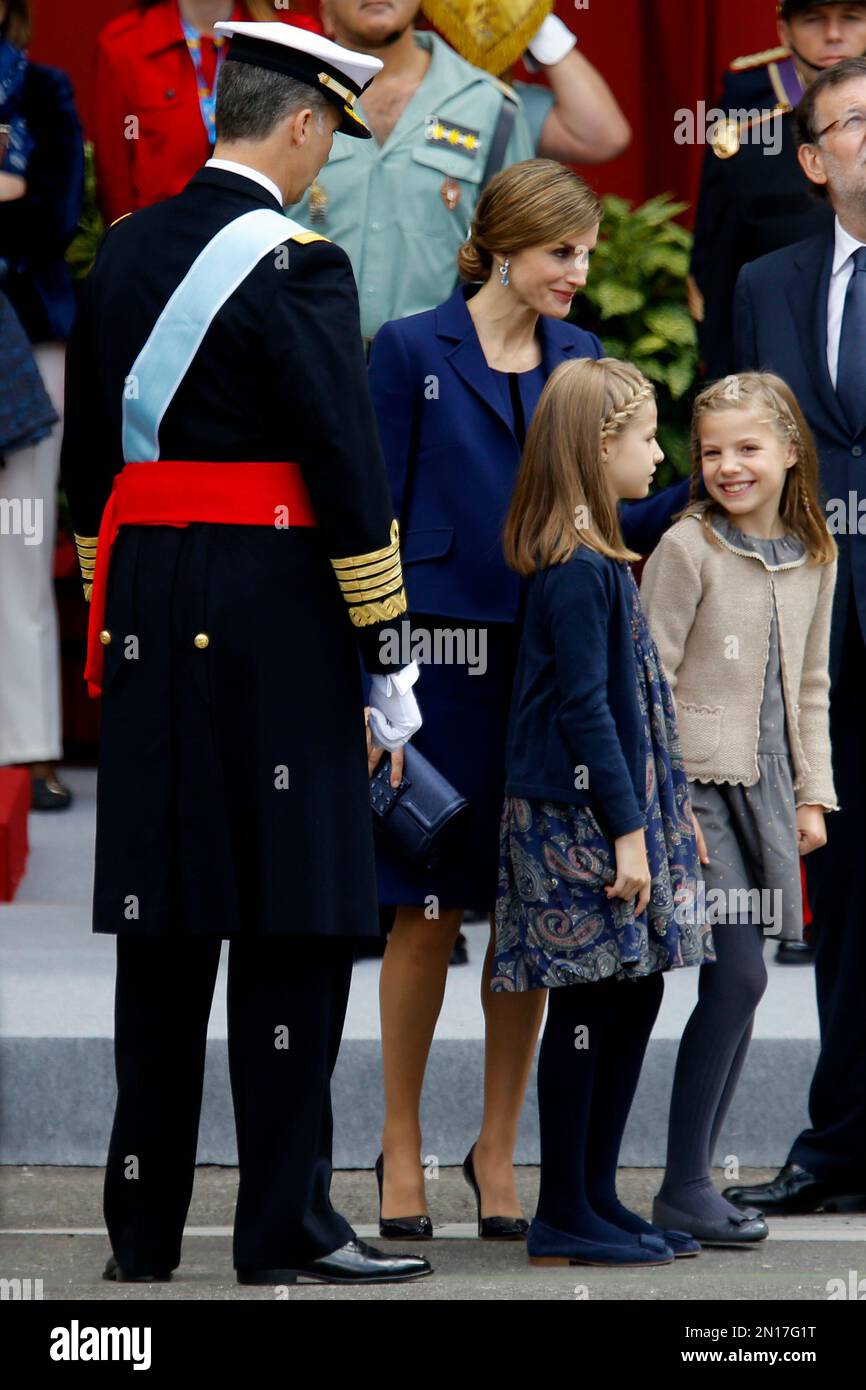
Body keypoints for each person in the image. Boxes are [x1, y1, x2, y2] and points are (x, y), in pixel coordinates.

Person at [60, 19, 432, 1287]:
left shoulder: (119, 250)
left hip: (152, 613)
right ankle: (283, 1225)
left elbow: (85, 485)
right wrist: (386, 650)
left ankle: (140, 1236)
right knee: (292, 924)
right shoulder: (304, 264)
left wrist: (117, 625)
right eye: (330, 136)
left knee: (158, 932)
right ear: (304, 123)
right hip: (277, 615)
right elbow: (343, 467)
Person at [366, 159, 697, 1240]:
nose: (579, 271)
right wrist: (370, 683)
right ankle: (401, 1143)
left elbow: (609, 515)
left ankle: (497, 1150)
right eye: (563, 251)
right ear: (504, 244)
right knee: (424, 911)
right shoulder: (409, 349)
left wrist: (724, 481)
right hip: (439, 672)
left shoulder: (582, 357)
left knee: (534, 921)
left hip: (556, 676)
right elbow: (372, 523)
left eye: (588, 251)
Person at [491, 357, 714, 1268]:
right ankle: (560, 1214)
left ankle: (593, 1194)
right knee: (589, 997)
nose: (659, 455)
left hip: (615, 811)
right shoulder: (577, 569)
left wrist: (666, 812)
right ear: (598, 447)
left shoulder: (601, 554)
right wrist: (628, 829)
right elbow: (584, 709)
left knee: (635, 987)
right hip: (575, 823)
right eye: (647, 437)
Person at [641, 373, 838, 1244]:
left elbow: (811, 686)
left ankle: (695, 1187)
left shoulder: (813, 554)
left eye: (748, 448)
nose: (727, 465)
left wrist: (813, 793)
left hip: (766, 791)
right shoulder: (689, 547)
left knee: (743, 985)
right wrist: (663, 799)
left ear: (791, 453)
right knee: (742, 975)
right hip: (696, 786)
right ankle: (685, 1181)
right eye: (711, 450)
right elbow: (647, 676)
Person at [730, 55, 866, 1214]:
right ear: (815, 160)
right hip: (818, 639)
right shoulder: (765, 284)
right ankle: (839, 1145)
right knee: (846, 909)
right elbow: (745, 462)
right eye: (854, 123)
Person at [289, 0, 631, 345]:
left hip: (440, 363)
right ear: (325, 6)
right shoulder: (285, 94)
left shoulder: (487, 102)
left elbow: (600, 137)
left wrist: (530, 22)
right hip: (301, 355)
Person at [688, 0, 866, 380]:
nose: (833, 34)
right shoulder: (748, 124)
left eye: (850, 18)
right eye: (814, 18)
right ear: (785, 31)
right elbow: (718, 268)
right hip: (781, 356)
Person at [0, 0, 83, 809]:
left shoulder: (42, 91)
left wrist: (17, 191)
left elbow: (48, 222)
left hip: (22, 341)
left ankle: (26, 749)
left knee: (19, 544)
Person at [92, 0, 320, 226]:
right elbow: (116, 188)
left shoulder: (292, 37)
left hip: (266, 241)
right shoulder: (124, 46)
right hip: (164, 249)